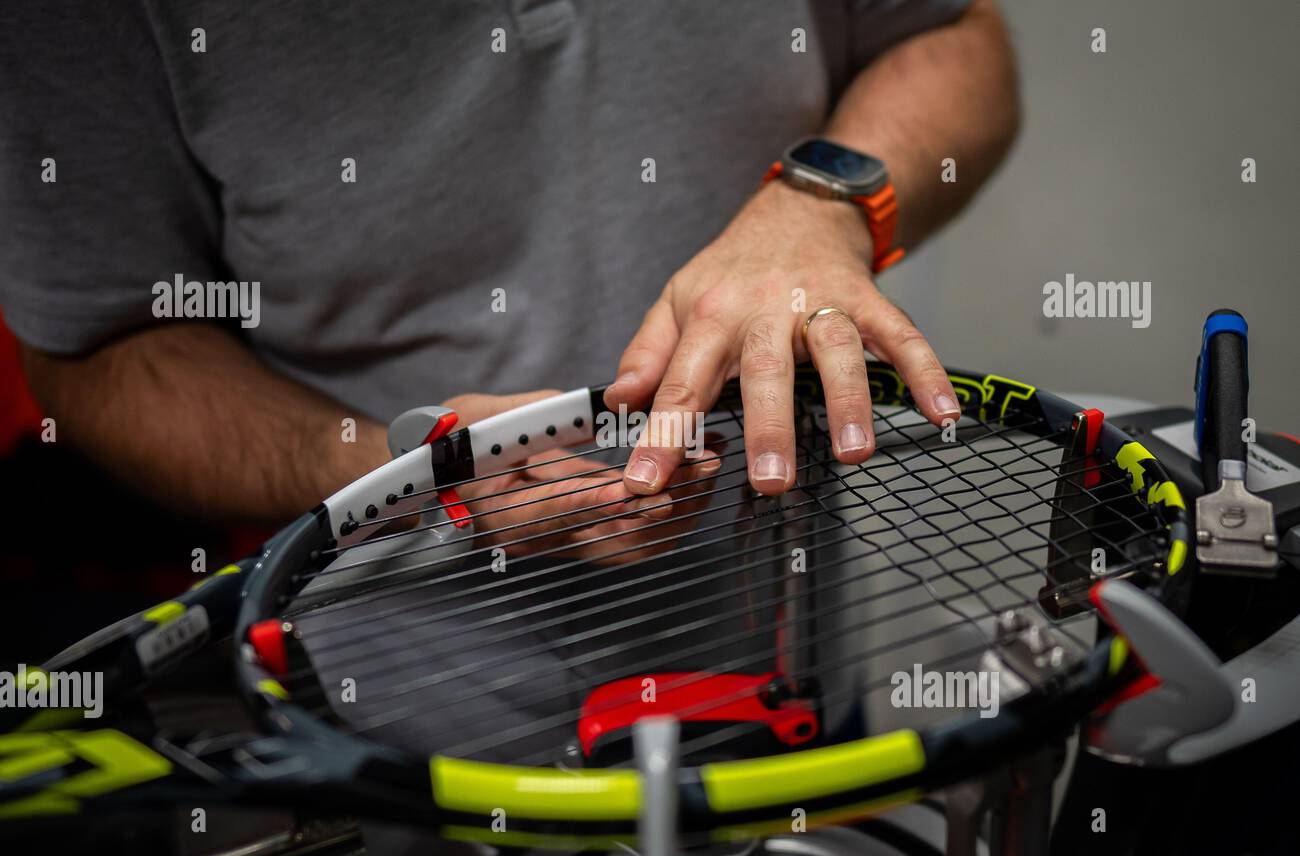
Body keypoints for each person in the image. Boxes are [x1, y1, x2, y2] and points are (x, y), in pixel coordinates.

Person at [0, 1, 1019, 550]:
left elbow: (949, 34)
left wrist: (820, 206)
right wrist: (405, 471)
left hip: (792, 632)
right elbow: (102, 345)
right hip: (391, 714)